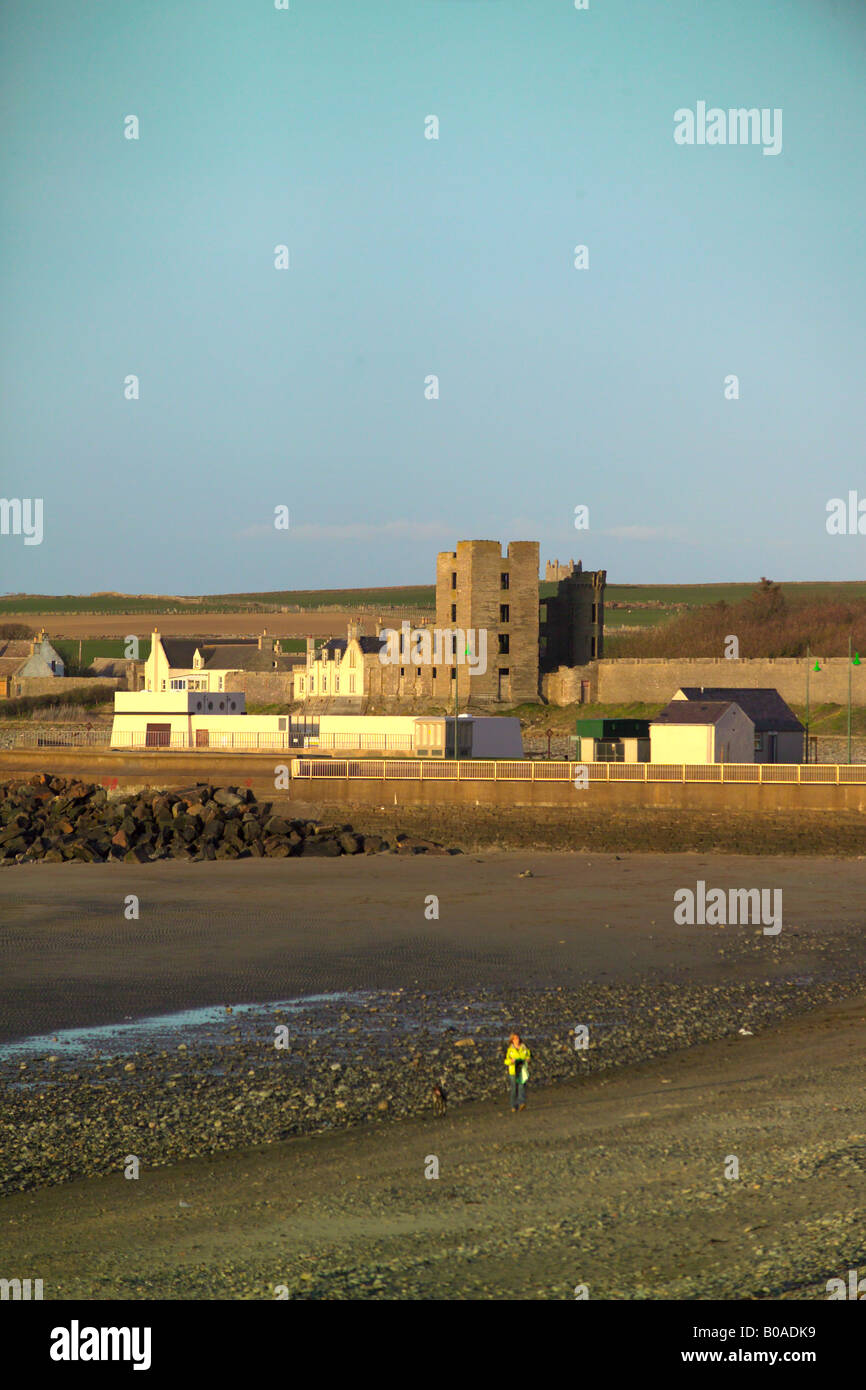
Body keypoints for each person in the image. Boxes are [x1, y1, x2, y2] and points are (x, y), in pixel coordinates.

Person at [504, 1032, 531, 1112]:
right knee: (514, 1088)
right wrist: (511, 1061)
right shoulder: (510, 1050)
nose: (517, 1040)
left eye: (518, 1038)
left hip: (522, 1070)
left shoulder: (524, 1048)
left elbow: (528, 1055)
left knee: (521, 1086)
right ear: (512, 1040)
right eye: (515, 1039)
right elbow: (506, 1061)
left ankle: (521, 1103)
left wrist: (528, 1059)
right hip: (513, 1070)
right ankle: (513, 1105)